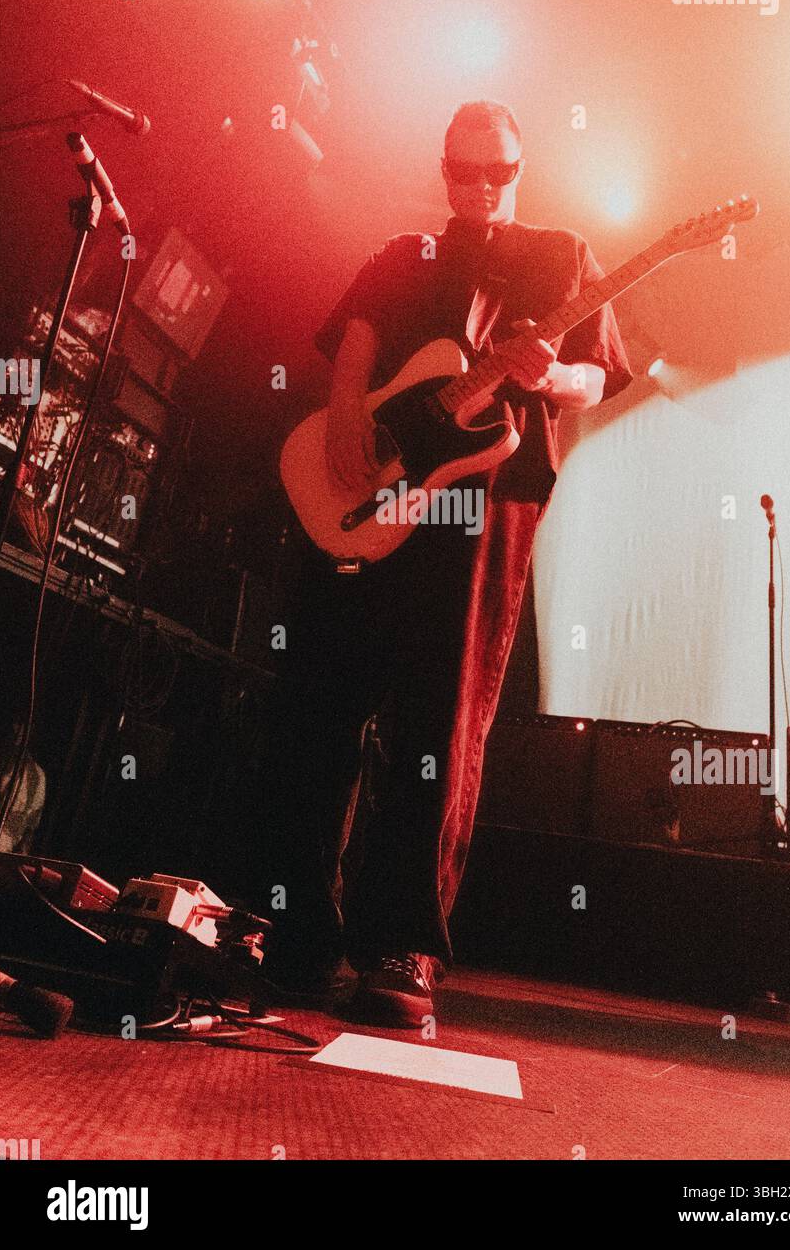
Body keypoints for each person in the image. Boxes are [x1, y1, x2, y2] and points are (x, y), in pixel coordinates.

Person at [275, 100, 632, 1025]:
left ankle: (399, 946)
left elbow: (595, 376)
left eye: (499, 173)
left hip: (486, 498)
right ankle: (302, 933)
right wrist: (349, 412)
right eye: (464, 171)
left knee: (443, 721)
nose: (481, 188)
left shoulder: (564, 257)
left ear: (522, 167)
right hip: (379, 487)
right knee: (322, 704)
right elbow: (355, 338)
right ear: (442, 168)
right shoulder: (402, 255)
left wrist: (545, 372)